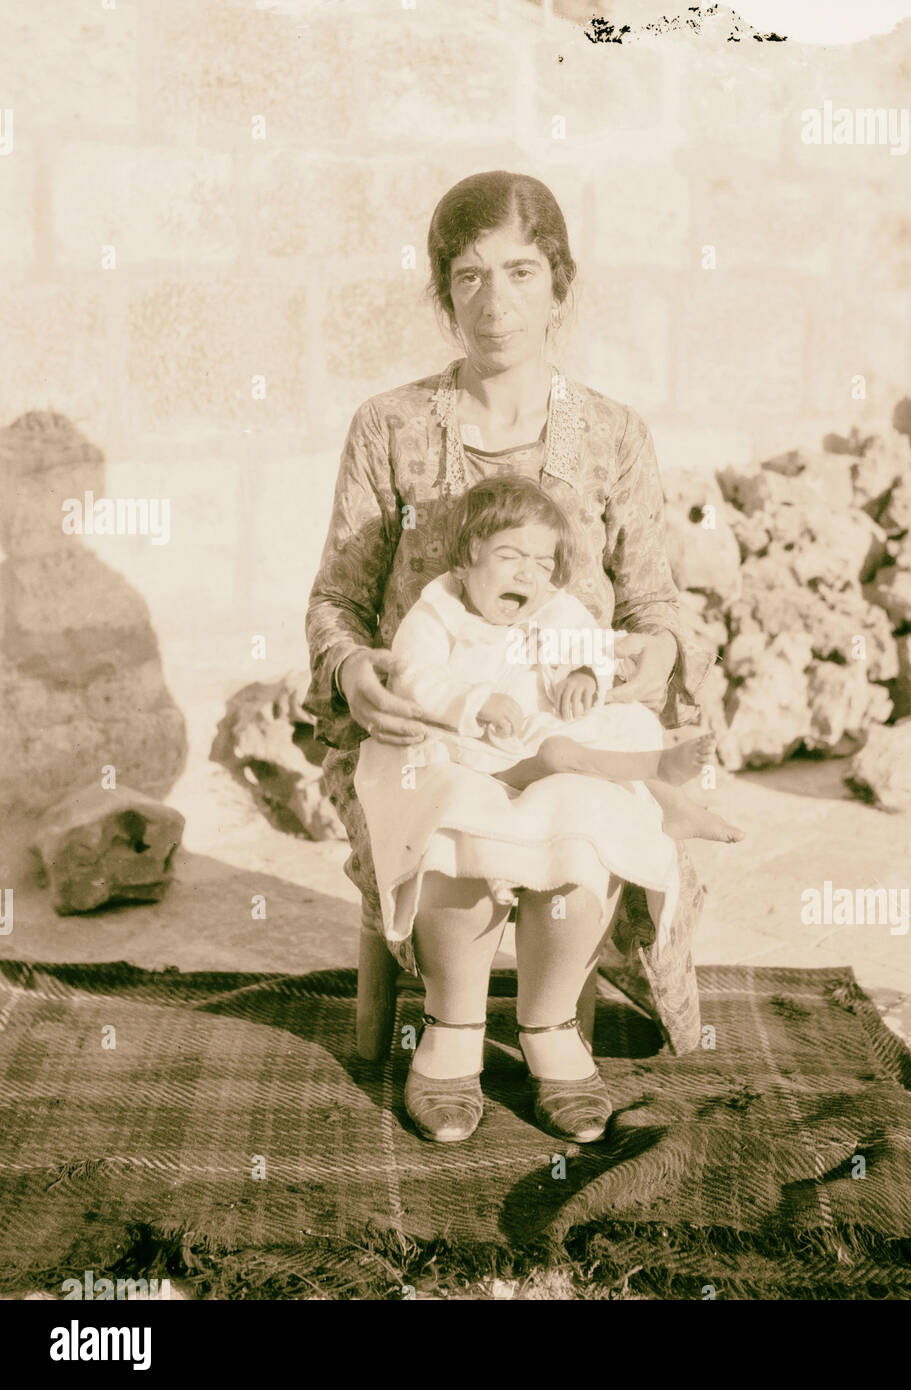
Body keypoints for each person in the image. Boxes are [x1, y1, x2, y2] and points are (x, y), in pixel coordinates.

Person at [304, 170, 721, 1146]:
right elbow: (337, 601)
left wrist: (652, 653)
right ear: (441, 292)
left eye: (521, 272)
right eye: (468, 275)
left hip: (567, 720)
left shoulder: (613, 432)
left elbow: (656, 598)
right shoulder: (391, 427)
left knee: (582, 815)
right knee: (454, 812)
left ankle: (547, 1032)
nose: (494, 304)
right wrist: (354, 673)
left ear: (560, 286)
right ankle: (448, 1032)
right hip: (435, 717)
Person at [385, 474, 743, 846]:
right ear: (464, 561)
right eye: (509, 557)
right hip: (485, 754)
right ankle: (652, 772)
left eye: (542, 564)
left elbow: (593, 645)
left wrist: (587, 673)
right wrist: (476, 703)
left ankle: (671, 804)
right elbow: (412, 680)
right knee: (556, 752)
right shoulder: (438, 615)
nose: (527, 574)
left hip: (547, 726)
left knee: (628, 718)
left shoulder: (552, 609)